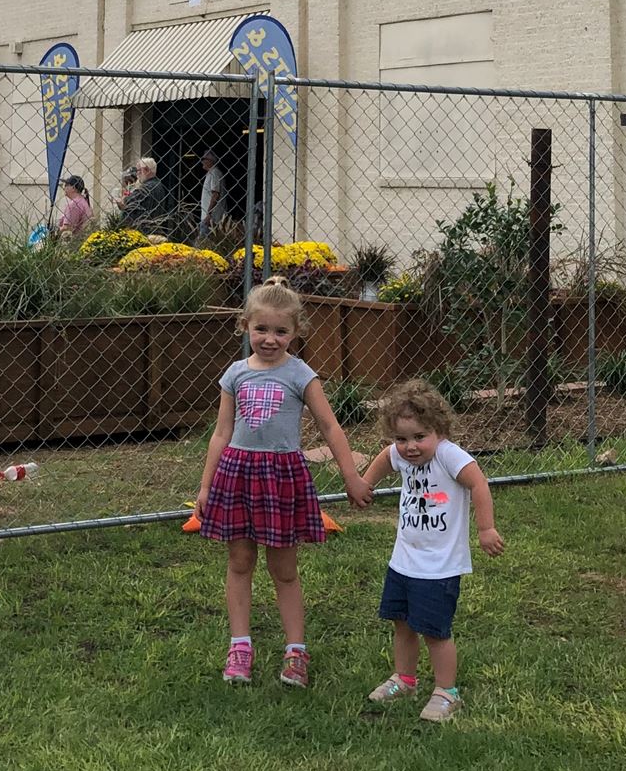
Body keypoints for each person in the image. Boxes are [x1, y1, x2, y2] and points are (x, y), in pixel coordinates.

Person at [195, 279, 370, 689]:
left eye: (280, 331)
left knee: (284, 570)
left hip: (281, 479)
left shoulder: (301, 374)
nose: (270, 339)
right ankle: (240, 647)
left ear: (296, 332)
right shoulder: (235, 375)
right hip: (237, 475)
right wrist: (206, 486)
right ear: (245, 326)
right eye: (261, 329)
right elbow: (221, 434)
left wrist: (351, 476)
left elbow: (329, 425)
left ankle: (296, 652)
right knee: (239, 562)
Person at [359, 378, 505, 724]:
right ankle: (405, 679)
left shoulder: (449, 455)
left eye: (419, 437)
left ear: (438, 430)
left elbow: (478, 484)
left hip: (438, 566)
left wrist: (485, 528)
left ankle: (446, 692)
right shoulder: (400, 453)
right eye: (402, 438)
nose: (410, 447)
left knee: (435, 631)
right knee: (401, 623)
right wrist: (367, 483)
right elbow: (385, 458)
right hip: (404, 560)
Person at [118, 155, 168, 237]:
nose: (137, 174)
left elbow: (127, 201)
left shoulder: (147, 187)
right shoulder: (158, 185)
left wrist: (122, 200)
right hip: (152, 230)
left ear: (147, 170)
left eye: (139, 171)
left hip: (142, 232)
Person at [196, 150, 224, 240]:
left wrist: (209, 214)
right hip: (209, 217)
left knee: (203, 242)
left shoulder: (214, 173)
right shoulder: (211, 173)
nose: (202, 161)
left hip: (210, 218)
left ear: (211, 161)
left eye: (204, 159)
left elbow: (215, 194)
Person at [56, 174, 91, 239]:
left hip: (75, 242)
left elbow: (67, 228)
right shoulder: (83, 201)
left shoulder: (73, 205)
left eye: (66, 185)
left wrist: (54, 232)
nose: (64, 188)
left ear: (73, 188)